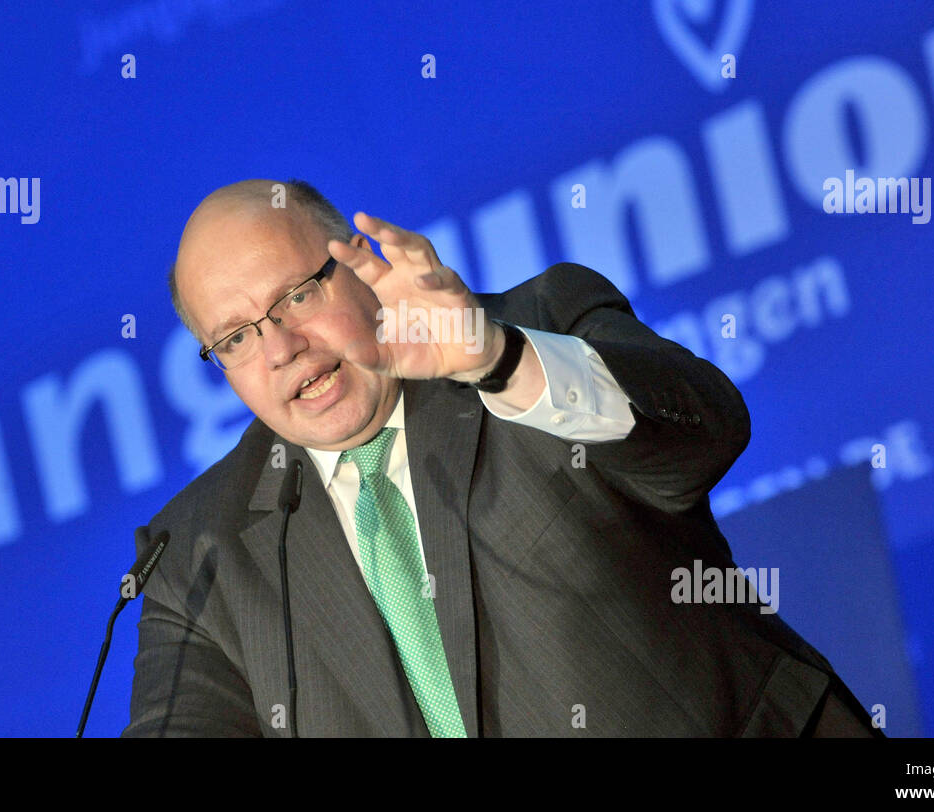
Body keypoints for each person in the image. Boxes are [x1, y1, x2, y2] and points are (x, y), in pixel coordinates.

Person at [122, 178, 882, 737]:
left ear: (357, 264)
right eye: (236, 337)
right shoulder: (198, 553)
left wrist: (498, 359)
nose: (281, 348)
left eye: (295, 295)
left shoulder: (536, 326)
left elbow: (707, 431)